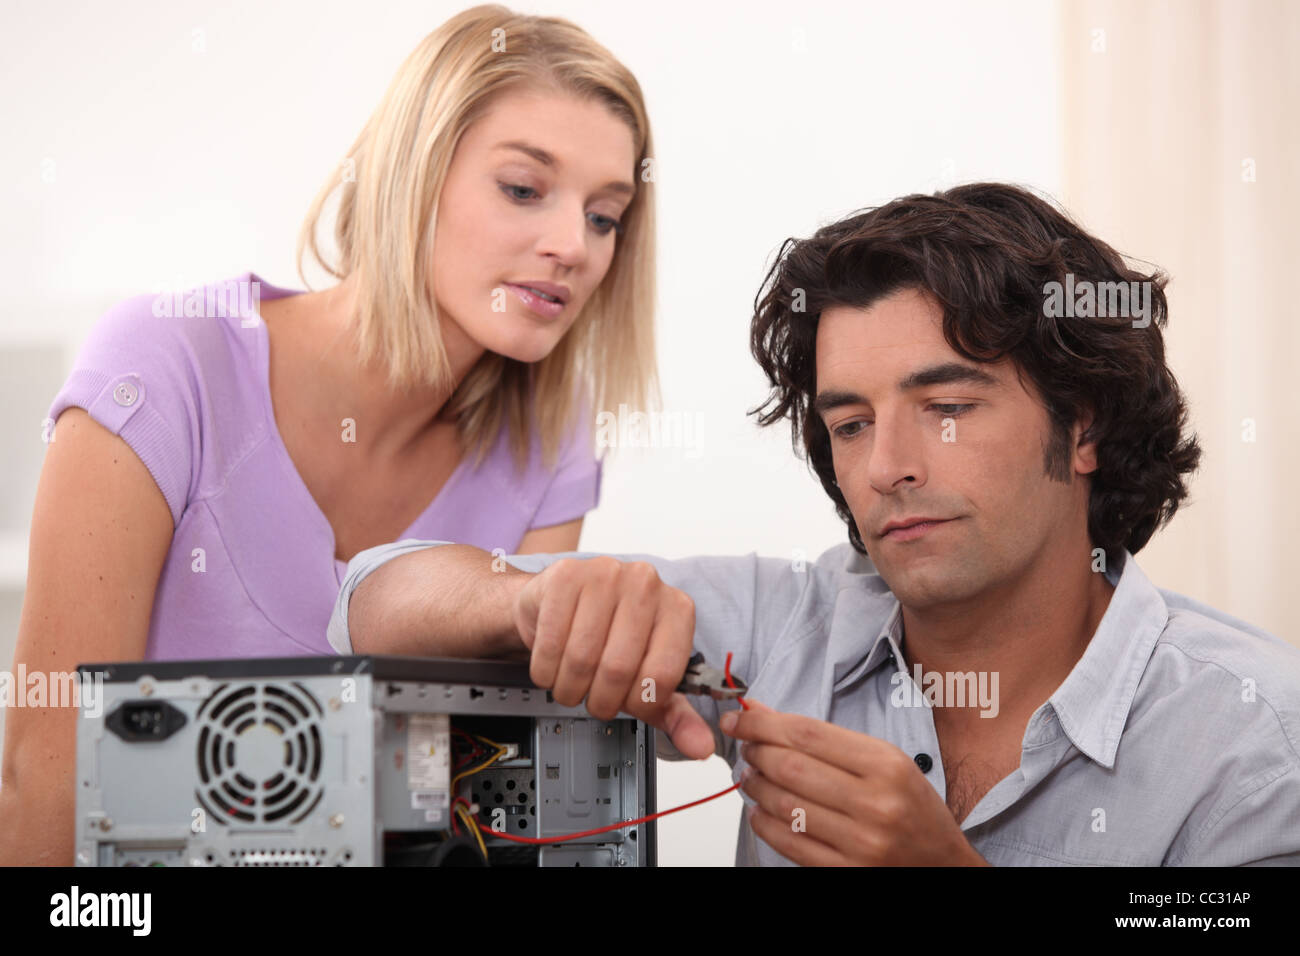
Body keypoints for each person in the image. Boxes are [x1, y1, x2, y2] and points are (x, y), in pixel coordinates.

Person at [326, 183, 1300, 866]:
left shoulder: (1254, 739)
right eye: (849, 421)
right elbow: (372, 596)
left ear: (1080, 425)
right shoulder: (775, 627)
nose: (886, 466)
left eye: (946, 406)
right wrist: (530, 602)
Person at [0, 4, 658, 865]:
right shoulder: (167, 366)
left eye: (605, 215)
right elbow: (44, 782)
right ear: (411, 174)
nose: (573, 245)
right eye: (524, 189)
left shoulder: (550, 445)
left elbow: (482, 794)